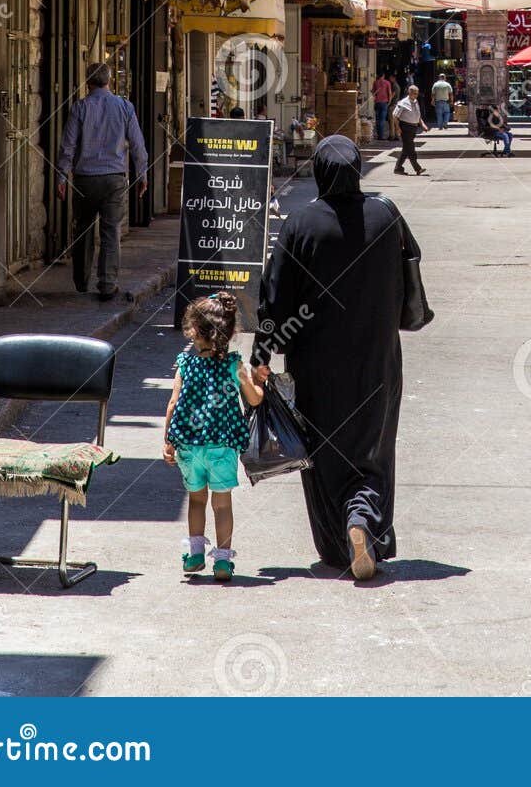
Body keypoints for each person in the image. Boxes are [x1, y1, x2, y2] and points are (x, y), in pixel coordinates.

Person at [252, 135, 422, 581]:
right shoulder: (386, 215)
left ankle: (337, 541)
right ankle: (362, 520)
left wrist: (261, 352)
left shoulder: (300, 224)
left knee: (325, 453)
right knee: (373, 448)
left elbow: (275, 296)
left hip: (317, 368)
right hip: (377, 363)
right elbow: (409, 276)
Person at [164, 294, 263, 582]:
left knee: (196, 501)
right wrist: (260, 385)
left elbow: (173, 403)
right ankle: (222, 561)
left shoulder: (185, 364)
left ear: (193, 331)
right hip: (223, 447)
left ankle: (195, 554)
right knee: (222, 504)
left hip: (190, 447)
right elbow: (254, 400)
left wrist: (168, 442)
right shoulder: (235, 366)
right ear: (230, 333)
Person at [57, 62, 149, 300]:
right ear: (110, 81)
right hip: (114, 180)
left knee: (82, 230)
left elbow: (68, 146)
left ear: (88, 82)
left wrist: (61, 176)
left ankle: (81, 282)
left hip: (85, 179)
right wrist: (142, 174)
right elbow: (138, 146)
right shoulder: (124, 107)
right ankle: (107, 283)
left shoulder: (80, 108)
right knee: (111, 232)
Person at [392, 83, 427, 175]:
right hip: (405, 127)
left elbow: (418, 115)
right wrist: (398, 128)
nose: (416, 95)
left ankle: (398, 168)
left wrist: (422, 124)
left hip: (413, 128)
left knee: (406, 149)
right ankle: (417, 168)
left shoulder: (415, 102)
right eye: (414, 93)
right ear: (409, 92)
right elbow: (395, 116)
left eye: (417, 93)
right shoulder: (403, 102)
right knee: (411, 149)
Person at [372, 73, 394, 141]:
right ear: (383, 76)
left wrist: (375, 98)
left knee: (378, 119)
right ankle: (381, 136)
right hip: (384, 103)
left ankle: (379, 135)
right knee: (382, 120)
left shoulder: (375, 82)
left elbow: (373, 92)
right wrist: (389, 102)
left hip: (377, 103)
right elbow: (389, 93)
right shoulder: (387, 83)